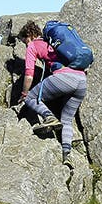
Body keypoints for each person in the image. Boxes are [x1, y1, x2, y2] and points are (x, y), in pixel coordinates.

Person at [17, 19, 88, 163]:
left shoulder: (32, 45)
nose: (26, 44)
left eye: (24, 41)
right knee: (67, 119)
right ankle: (67, 155)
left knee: (31, 98)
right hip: (81, 81)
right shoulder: (54, 42)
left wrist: (24, 93)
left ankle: (49, 117)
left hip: (64, 78)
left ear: (29, 36)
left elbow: (29, 74)